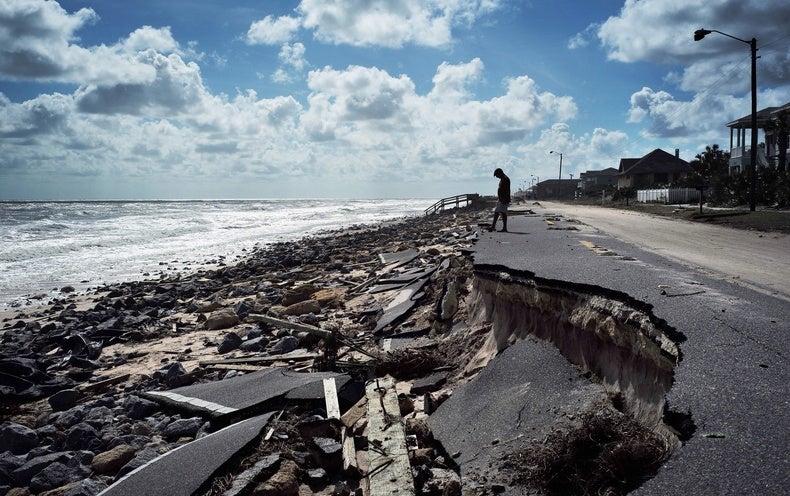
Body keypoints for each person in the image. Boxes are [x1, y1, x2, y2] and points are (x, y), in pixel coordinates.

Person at [492, 168, 511, 232]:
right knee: (496, 212)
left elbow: (506, 190)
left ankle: (504, 228)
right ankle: (493, 226)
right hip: (501, 199)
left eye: (497, 175)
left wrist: (505, 199)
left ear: (500, 173)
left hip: (504, 199)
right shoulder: (502, 179)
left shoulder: (505, 179)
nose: (497, 177)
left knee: (503, 213)